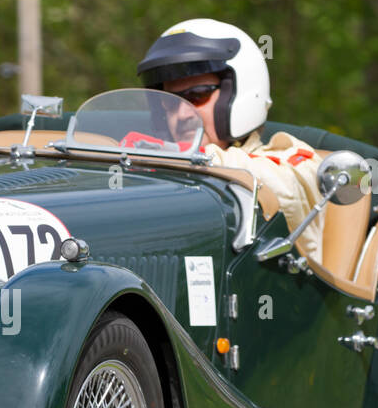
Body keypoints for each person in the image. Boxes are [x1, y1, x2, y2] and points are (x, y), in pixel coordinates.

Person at [137, 18, 324, 261]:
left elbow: (287, 191)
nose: (181, 114)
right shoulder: (154, 165)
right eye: (170, 102)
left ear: (238, 94)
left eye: (197, 95)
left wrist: (176, 156)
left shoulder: (290, 158)